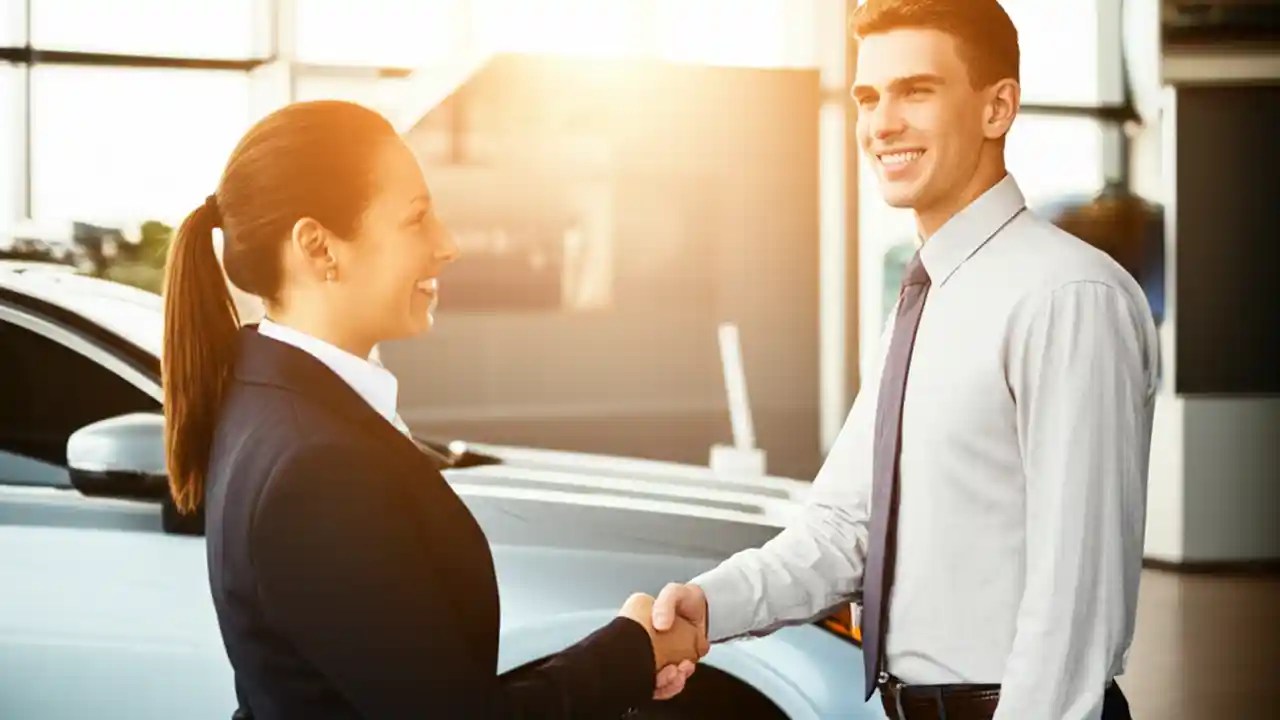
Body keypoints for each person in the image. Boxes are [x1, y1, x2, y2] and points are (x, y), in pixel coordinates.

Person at [647, 2, 1158, 718]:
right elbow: (843, 530)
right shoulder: (924, 300)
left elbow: (1072, 602)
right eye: (867, 96)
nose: (881, 122)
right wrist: (710, 607)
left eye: (916, 90)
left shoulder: (1066, 297)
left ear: (997, 107)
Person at [161, 100, 705, 719]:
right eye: (416, 218)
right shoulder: (316, 467)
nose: (446, 245)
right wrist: (631, 651)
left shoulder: (266, 398)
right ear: (318, 247)